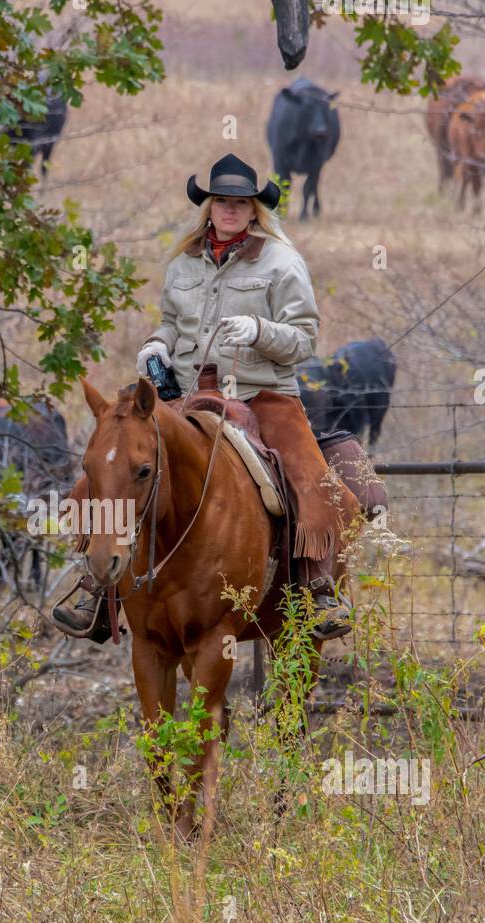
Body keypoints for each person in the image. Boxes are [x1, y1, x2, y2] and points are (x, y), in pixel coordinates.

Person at [53, 152, 351, 643]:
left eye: (240, 202)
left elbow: (304, 340)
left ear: (255, 209)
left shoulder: (282, 262)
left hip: (263, 393)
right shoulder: (184, 262)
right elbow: (173, 324)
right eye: (221, 201)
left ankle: (318, 589)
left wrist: (259, 330)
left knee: (307, 477)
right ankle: (96, 588)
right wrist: (158, 343)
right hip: (189, 395)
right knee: (111, 466)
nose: (229, 210)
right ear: (208, 206)